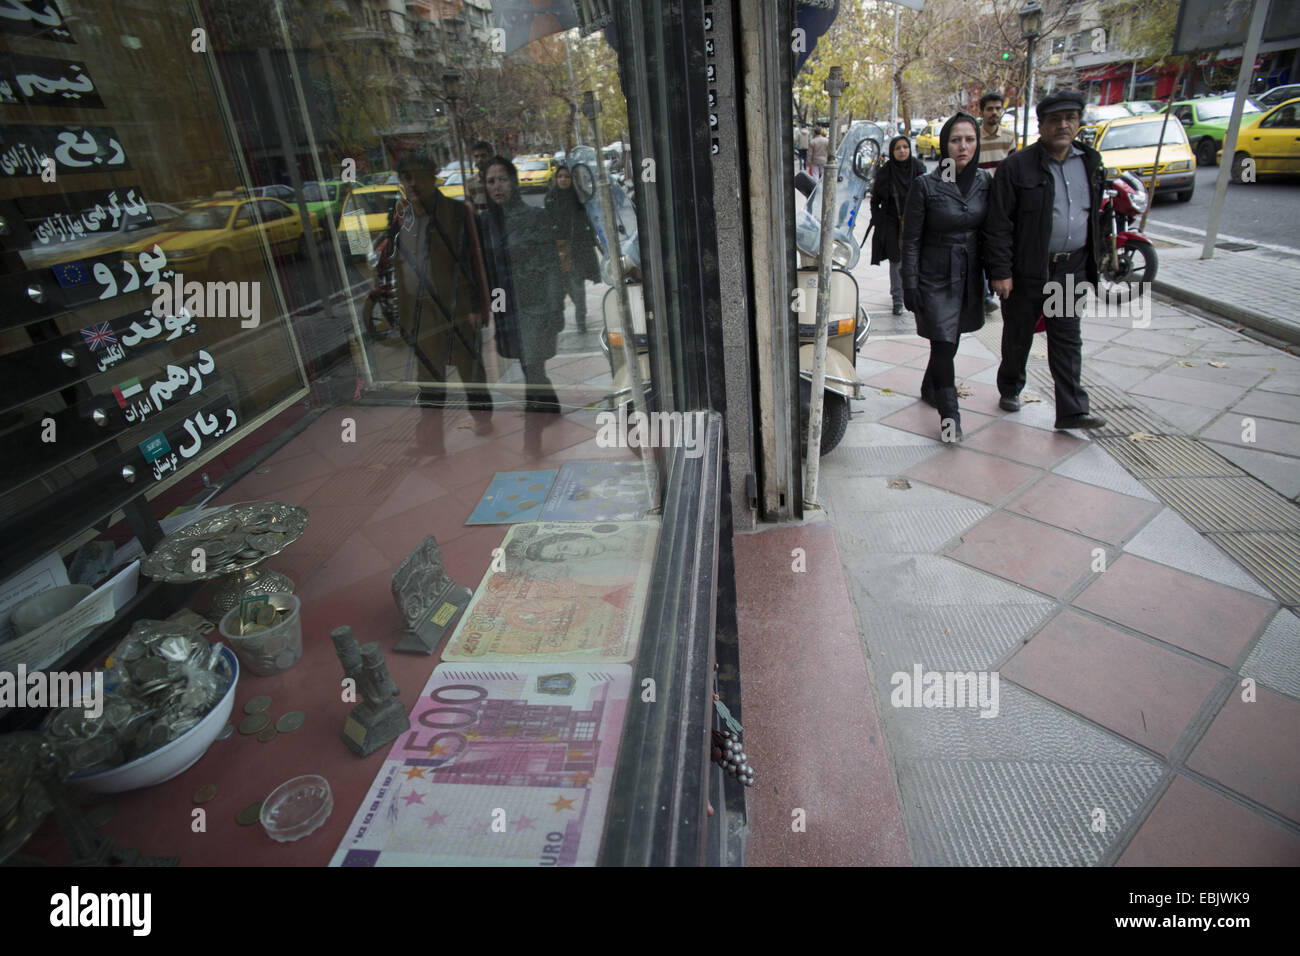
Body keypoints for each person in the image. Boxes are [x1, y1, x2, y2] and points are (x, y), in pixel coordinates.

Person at [983, 89, 1107, 431]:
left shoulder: (1091, 162)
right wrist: (1001, 272)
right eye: (1055, 120)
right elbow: (999, 224)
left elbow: (1095, 215)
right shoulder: (1017, 167)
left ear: (1079, 123)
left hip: (1071, 268)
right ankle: (1010, 386)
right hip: (1028, 270)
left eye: (1070, 118)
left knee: (1067, 336)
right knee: (1018, 334)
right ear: (1042, 125)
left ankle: (1071, 410)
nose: (1063, 125)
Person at [392, 149, 495, 450]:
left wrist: (477, 306)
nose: (410, 185)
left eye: (415, 177)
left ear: (430, 178)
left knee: (469, 366)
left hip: (458, 305)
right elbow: (398, 266)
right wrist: (403, 315)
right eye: (404, 179)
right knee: (429, 377)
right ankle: (431, 441)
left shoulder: (456, 212)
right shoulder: (401, 215)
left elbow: (475, 260)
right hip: (420, 309)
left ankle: (483, 418)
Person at [900, 112, 991, 442]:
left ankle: (930, 387)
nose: (963, 146)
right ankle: (950, 416)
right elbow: (909, 239)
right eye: (955, 140)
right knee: (942, 342)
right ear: (943, 145)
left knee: (948, 342)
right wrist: (909, 283)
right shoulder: (926, 185)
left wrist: (999, 276)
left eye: (969, 139)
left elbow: (994, 233)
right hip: (934, 274)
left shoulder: (984, 182)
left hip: (968, 274)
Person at [477, 156, 565, 453]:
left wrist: (556, 307)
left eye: (502, 179)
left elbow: (553, 265)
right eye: (490, 181)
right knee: (529, 364)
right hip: (505, 307)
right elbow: (483, 268)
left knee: (532, 364)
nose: (497, 186)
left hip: (535, 305)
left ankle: (532, 436)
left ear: (514, 182)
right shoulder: (484, 223)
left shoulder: (536, 217)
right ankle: (551, 407)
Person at [870, 134, 926, 316]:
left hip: (916, 222)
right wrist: (879, 219)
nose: (902, 151)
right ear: (892, 151)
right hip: (892, 222)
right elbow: (875, 200)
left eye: (905, 147)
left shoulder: (918, 168)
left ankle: (916, 292)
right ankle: (898, 299)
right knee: (896, 261)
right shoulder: (885, 172)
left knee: (917, 259)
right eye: (897, 148)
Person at [544, 164, 601, 334]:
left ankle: (580, 320)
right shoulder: (550, 198)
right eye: (560, 176)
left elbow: (590, 219)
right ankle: (559, 320)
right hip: (558, 250)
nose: (563, 180)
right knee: (562, 286)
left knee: (577, 285)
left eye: (567, 177)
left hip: (577, 249)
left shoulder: (579, 198)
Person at [977, 92, 1017, 313]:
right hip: (979, 199)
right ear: (981, 111)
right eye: (990, 108)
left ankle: (991, 290)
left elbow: (1013, 169)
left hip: (1002, 201)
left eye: (997, 108)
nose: (994, 113)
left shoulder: (1009, 137)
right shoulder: (974, 137)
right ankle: (984, 293)